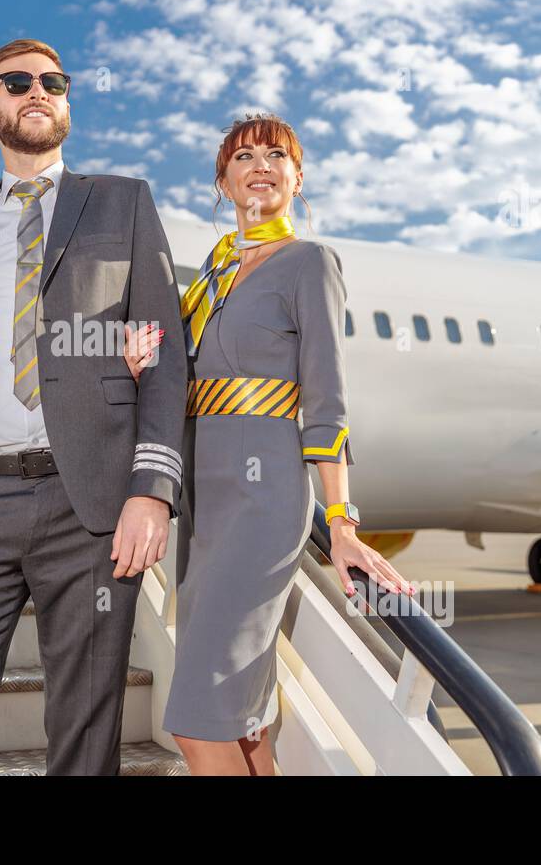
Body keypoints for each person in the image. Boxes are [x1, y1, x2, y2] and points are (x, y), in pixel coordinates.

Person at [0, 38, 186, 776]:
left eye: (53, 81)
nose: (37, 90)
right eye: (15, 82)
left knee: (86, 732)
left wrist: (151, 490)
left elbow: (164, 356)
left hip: (87, 506)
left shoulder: (123, 202)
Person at [124, 113, 414, 776]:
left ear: (297, 178)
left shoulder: (310, 263)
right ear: (222, 180)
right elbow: (183, 388)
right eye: (244, 155)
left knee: (198, 721)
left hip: (263, 501)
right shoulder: (205, 280)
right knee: (243, 722)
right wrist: (147, 366)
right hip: (199, 506)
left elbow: (327, 397)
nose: (261, 163)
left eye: (276, 155)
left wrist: (340, 521)